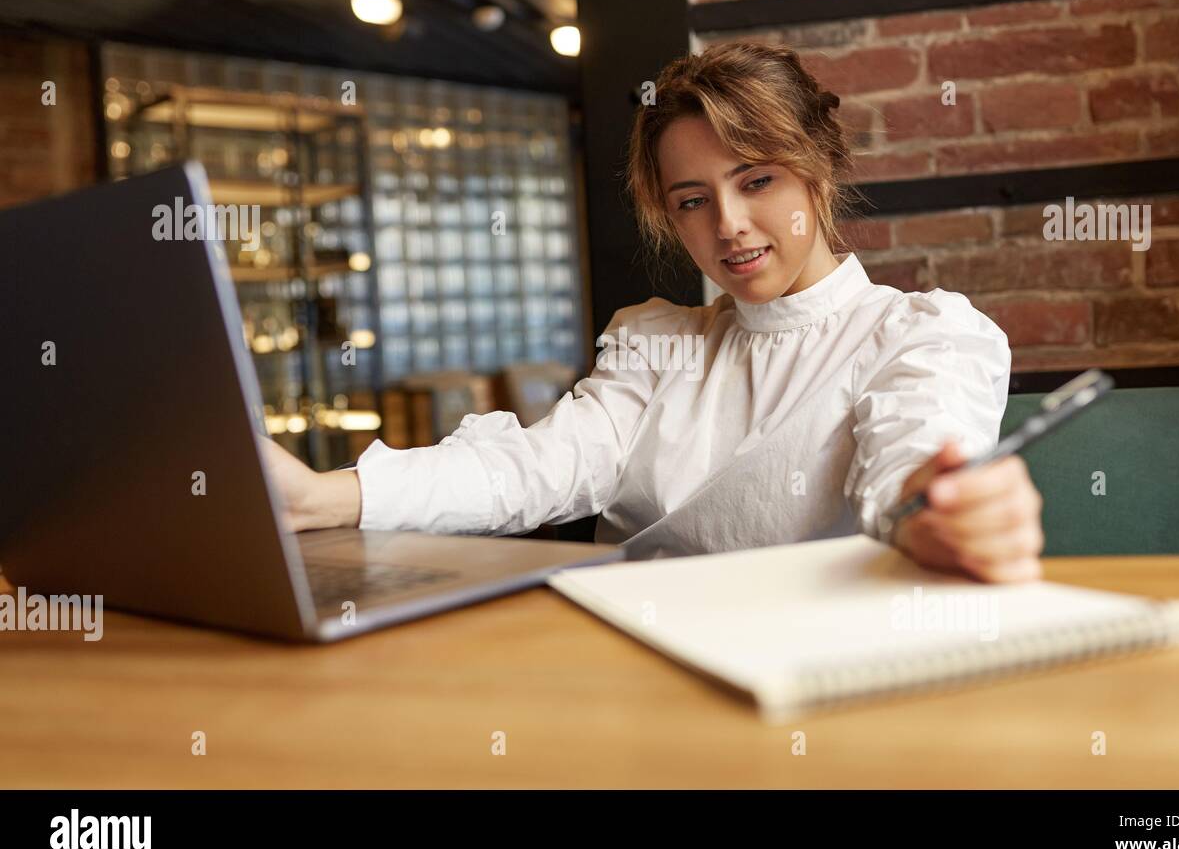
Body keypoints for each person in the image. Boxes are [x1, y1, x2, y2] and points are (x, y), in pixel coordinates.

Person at [262, 42, 1044, 583]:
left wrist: (935, 516)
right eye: (693, 201)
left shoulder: (923, 335)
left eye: (757, 180)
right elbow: (539, 468)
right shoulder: (657, 342)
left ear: (819, 174)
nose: (728, 224)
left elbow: (908, 473)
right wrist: (321, 496)